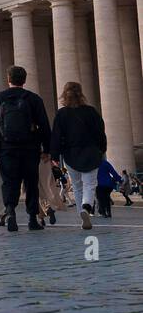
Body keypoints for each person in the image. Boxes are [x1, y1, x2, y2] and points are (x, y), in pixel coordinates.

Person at [0, 65, 52, 232]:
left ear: (8, 79)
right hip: (30, 147)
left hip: (6, 148)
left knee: (9, 181)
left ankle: (11, 213)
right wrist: (47, 148)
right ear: (24, 80)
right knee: (31, 182)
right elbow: (44, 125)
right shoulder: (34, 99)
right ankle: (32, 219)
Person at [49, 81, 106, 230]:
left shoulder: (61, 114)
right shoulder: (91, 112)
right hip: (91, 152)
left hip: (71, 154)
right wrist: (101, 149)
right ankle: (87, 207)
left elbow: (56, 136)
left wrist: (54, 155)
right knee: (90, 184)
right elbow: (101, 132)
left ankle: (82, 212)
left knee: (77, 186)